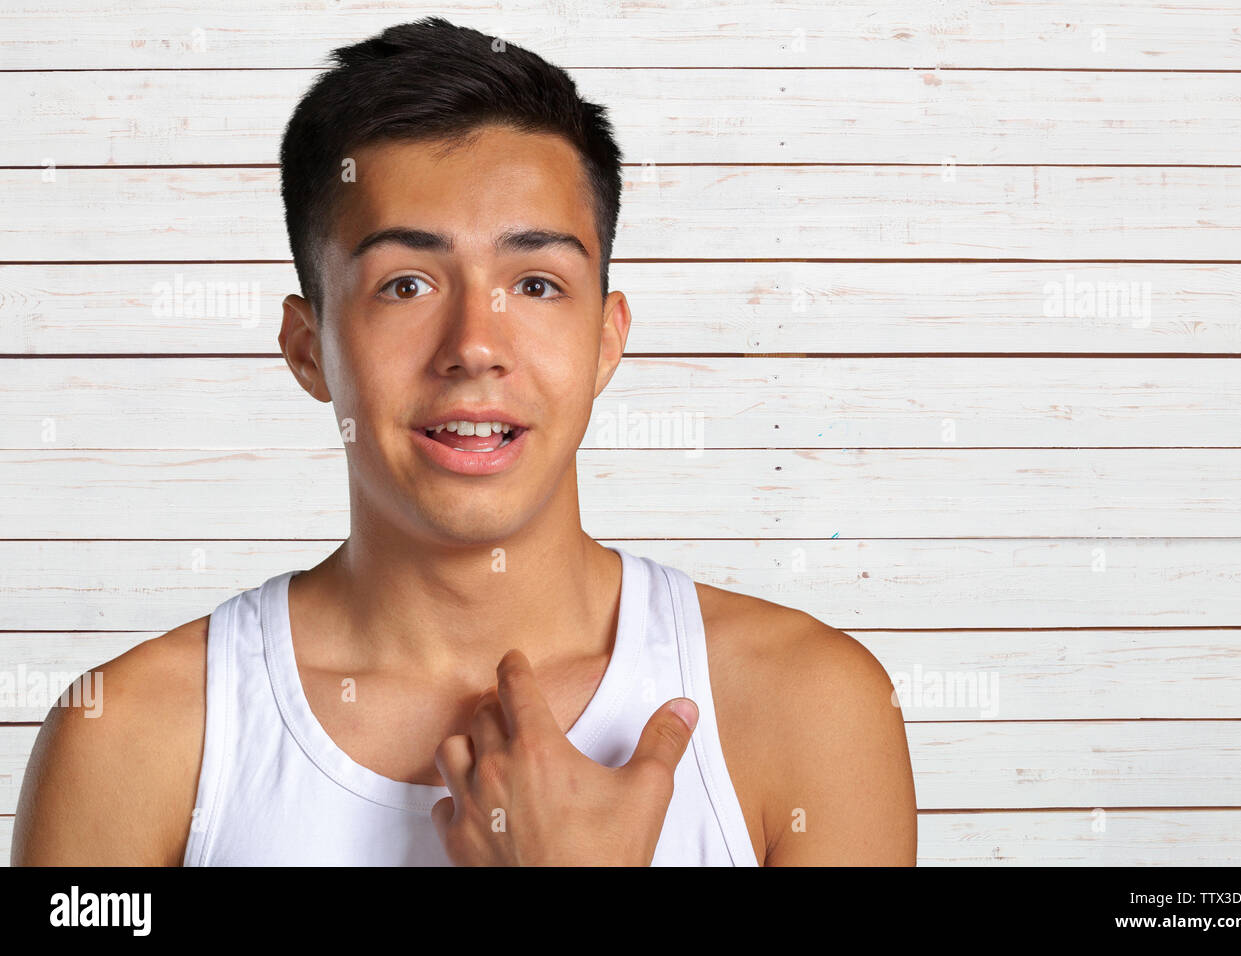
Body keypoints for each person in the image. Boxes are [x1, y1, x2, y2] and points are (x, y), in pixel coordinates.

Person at [12, 16, 916, 866]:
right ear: (307, 348)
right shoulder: (130, 736)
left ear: (607, 339)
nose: (474, 346)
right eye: (405, 285)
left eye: (535, 284)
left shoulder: (812, 708)